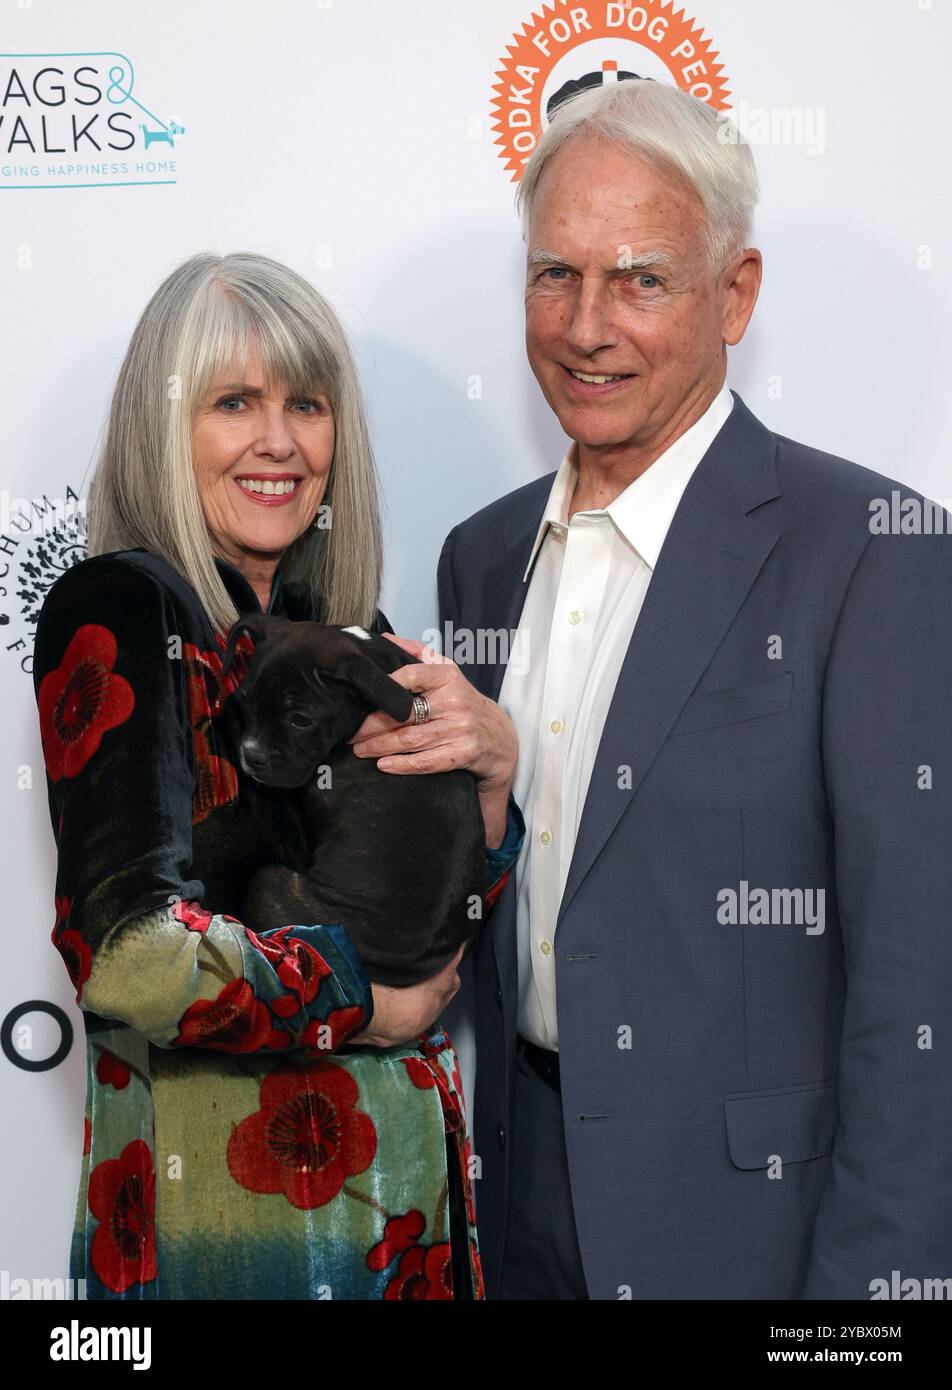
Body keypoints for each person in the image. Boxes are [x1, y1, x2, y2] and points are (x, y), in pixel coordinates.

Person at [418, 78, 952, 1299]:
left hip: (752, 1237)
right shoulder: (481, 556)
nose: (586, 325)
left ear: (736, 294)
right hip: (513, 1208)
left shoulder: (873, 549)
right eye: (556, 274)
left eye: (640, 279)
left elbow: (919, 995)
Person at [32, 250, 524, 1300]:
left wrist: (492, 785)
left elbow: (439, 933)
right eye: (233, 402)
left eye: (306, 403)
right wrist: (364, 1004)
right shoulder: (124, 610)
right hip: (224, 1235)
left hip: (400, 1225)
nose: (279, 440)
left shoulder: (346, 642)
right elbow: (126, 955)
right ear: (165, 428)